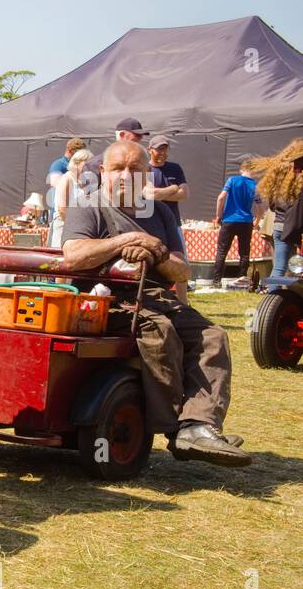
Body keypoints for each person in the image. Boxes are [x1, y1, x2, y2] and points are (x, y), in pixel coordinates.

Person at [61, 141, 248, 466]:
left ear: (146, 174)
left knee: (213, 336)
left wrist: (157, 253)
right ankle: (173, 425)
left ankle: (199, 425)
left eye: (134, 168)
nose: (125, 175)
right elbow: (73, 255)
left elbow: (182, 270)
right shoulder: (89, 205)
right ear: (103, 172)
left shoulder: (159, 211)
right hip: (107, 300)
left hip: (158, 297)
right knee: (160, 331)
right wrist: (125, 242)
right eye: (118, 168)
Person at [212, 158, 262, 283]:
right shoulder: (255, 186)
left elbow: (221, 198)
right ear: (254, 171)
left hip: (229, 220)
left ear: (241, 169)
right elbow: (260, 207)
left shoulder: (232, 180)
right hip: (246, 221)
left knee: (222, 251)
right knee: (244, 252)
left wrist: (218, 215)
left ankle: (216, 281)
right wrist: (257, 220)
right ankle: (242, 279)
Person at [49, 147, 93, 247]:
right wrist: (76, 225)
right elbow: (62, 209)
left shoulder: (86, 182)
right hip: (64, 225)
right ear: (77, 163)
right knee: (60, 257)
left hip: (81, 227)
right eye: (86, 163)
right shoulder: (66, 179)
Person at [146, 134, 188, 226]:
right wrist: (173, 188)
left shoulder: (175, 168)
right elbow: (150, 195)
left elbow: (184, 195)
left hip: (173, 223)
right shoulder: (144, 169)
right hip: (150, 224)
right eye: (159, 149)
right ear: (149, 150)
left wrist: (159, 195)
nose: (163, 152)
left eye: (165, 149)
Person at [45, 137, 85, 219]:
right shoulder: (58, 165)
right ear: (69, 150)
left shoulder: (80, 166)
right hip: (60, 215)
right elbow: (56, 185)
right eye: (78, 153)